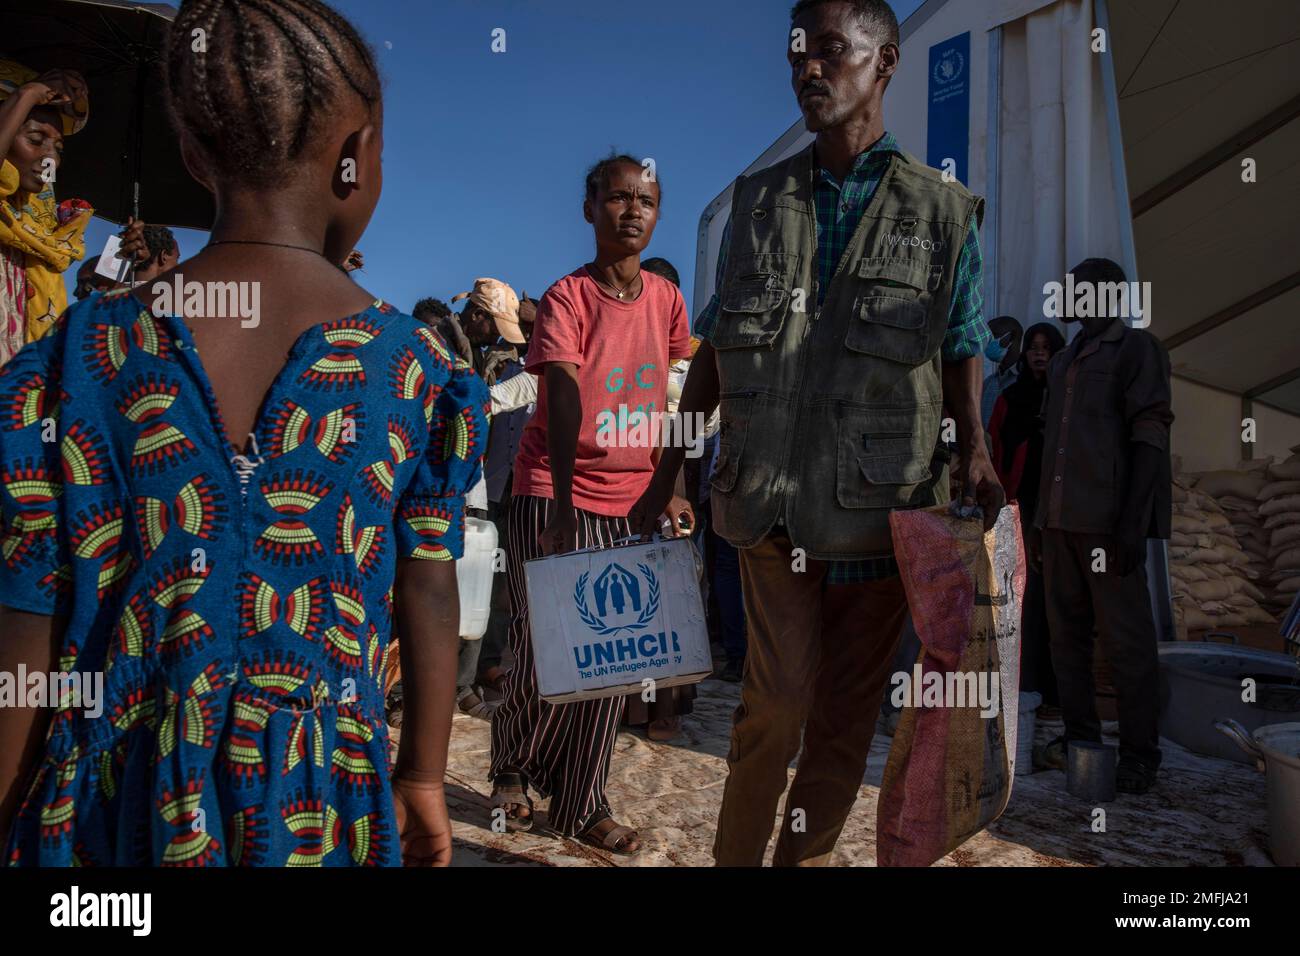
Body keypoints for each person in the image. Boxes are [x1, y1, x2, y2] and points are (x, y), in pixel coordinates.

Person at [0, 0, 489, 867]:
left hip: (112, 826)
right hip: (319, 810)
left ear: (192, 157)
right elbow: (429, 590)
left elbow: (27, 625)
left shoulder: (71, 358)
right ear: (359, 157)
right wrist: (418, 777)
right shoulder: (416, 371)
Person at [631, 0, 1004, 866]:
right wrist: (673, 468)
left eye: (831, 51)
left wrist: (977, 446)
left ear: (887, 61)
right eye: (797, 53)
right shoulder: (760, 201)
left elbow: (961, 342)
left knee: (843, 722)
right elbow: (720, 345)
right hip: (768, 504)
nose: (808, 69)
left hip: (884, 510)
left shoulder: (944, 211)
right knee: (778, 705)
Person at [488, 153, 693, 854]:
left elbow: (672, 400)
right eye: (617, 198)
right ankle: (512, 770)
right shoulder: (566, 298)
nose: (632, 210)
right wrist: (565, 504)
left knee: (613, 658)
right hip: (552, 488)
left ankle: (581, 803)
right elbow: (566, 395)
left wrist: (674, 489)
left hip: (632, 500)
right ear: (589, 208)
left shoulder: (668, 302)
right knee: (544, 650)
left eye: (646, 200)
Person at [1028, 257, 1173, 794]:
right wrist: (1042, 524)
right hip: (1060, 523)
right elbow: (1053, 449)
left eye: (1083, 291)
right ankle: (1079, 738)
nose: (1073, 299)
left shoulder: (1138, 349)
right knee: (1065, 640)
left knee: (1127, 642)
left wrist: (1133, 526)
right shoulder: (1064, 360)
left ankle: (1140, 755)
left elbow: (1150, 435)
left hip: (1107, 524)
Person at [622, 256, 698, 741]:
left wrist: (671, 488)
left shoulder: (689, 357)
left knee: (672, 592)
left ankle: (667, 704)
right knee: (631, 593)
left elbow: (695, 427)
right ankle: (631, 705)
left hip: (672, 476)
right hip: (624, 474)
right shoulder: (623, 343)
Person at [988, 322, 1065, 706]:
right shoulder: (1010, 398)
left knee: (1057, 603)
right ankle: (1025, 688)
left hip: (1062, 513)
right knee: (1022, 601)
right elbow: (995, 452)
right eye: (1033, 347)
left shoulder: (1069, 400)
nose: (1038, 353)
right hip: (1019, 509)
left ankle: (1051, 691)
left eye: (1046, 348)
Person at [0, 61, 94, 367]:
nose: (50, 158)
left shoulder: (43, 237)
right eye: (36, 140)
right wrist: (26, 95)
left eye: (58, 148)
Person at [980, 314, 1023, 428]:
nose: (988, 343)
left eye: (994, 336)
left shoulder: (1024, 380)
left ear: (1011, 337)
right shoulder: (988, 383)